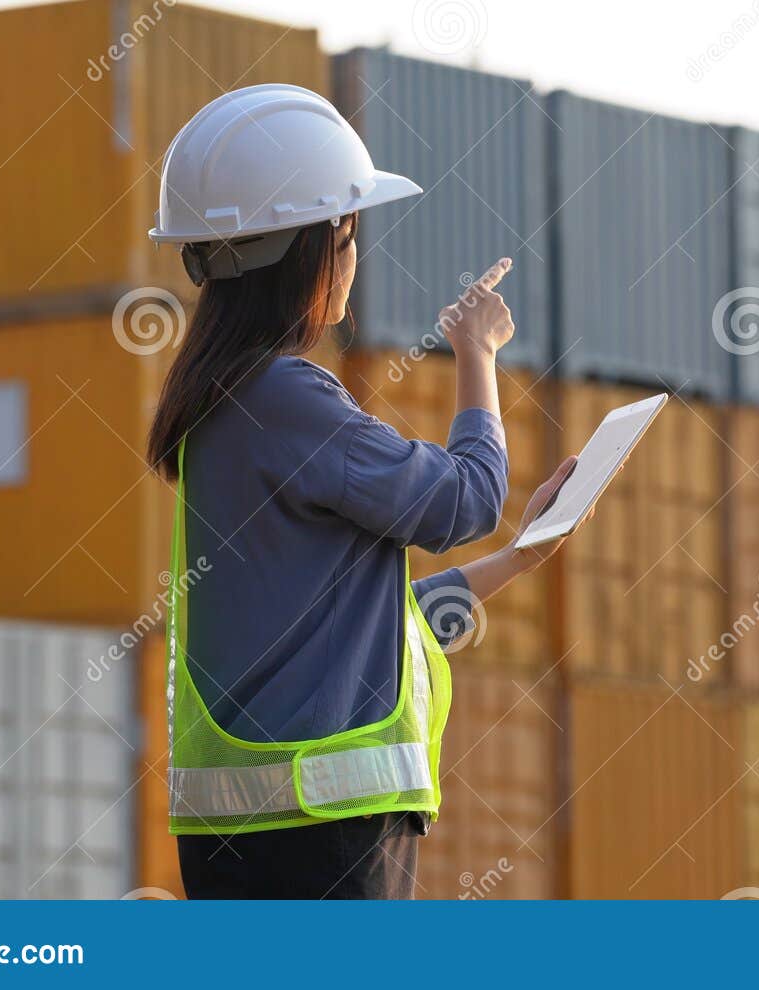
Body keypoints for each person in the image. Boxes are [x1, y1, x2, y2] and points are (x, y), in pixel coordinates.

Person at [143, 84, 585, 899]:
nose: (355, 257)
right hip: (323, 835)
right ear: (319, 247)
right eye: (351, 234)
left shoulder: (219, 409)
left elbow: (356, 618)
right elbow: (466, 500)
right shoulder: (286, 399)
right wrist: (477, 349)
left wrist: (521, 560)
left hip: (251, 840)